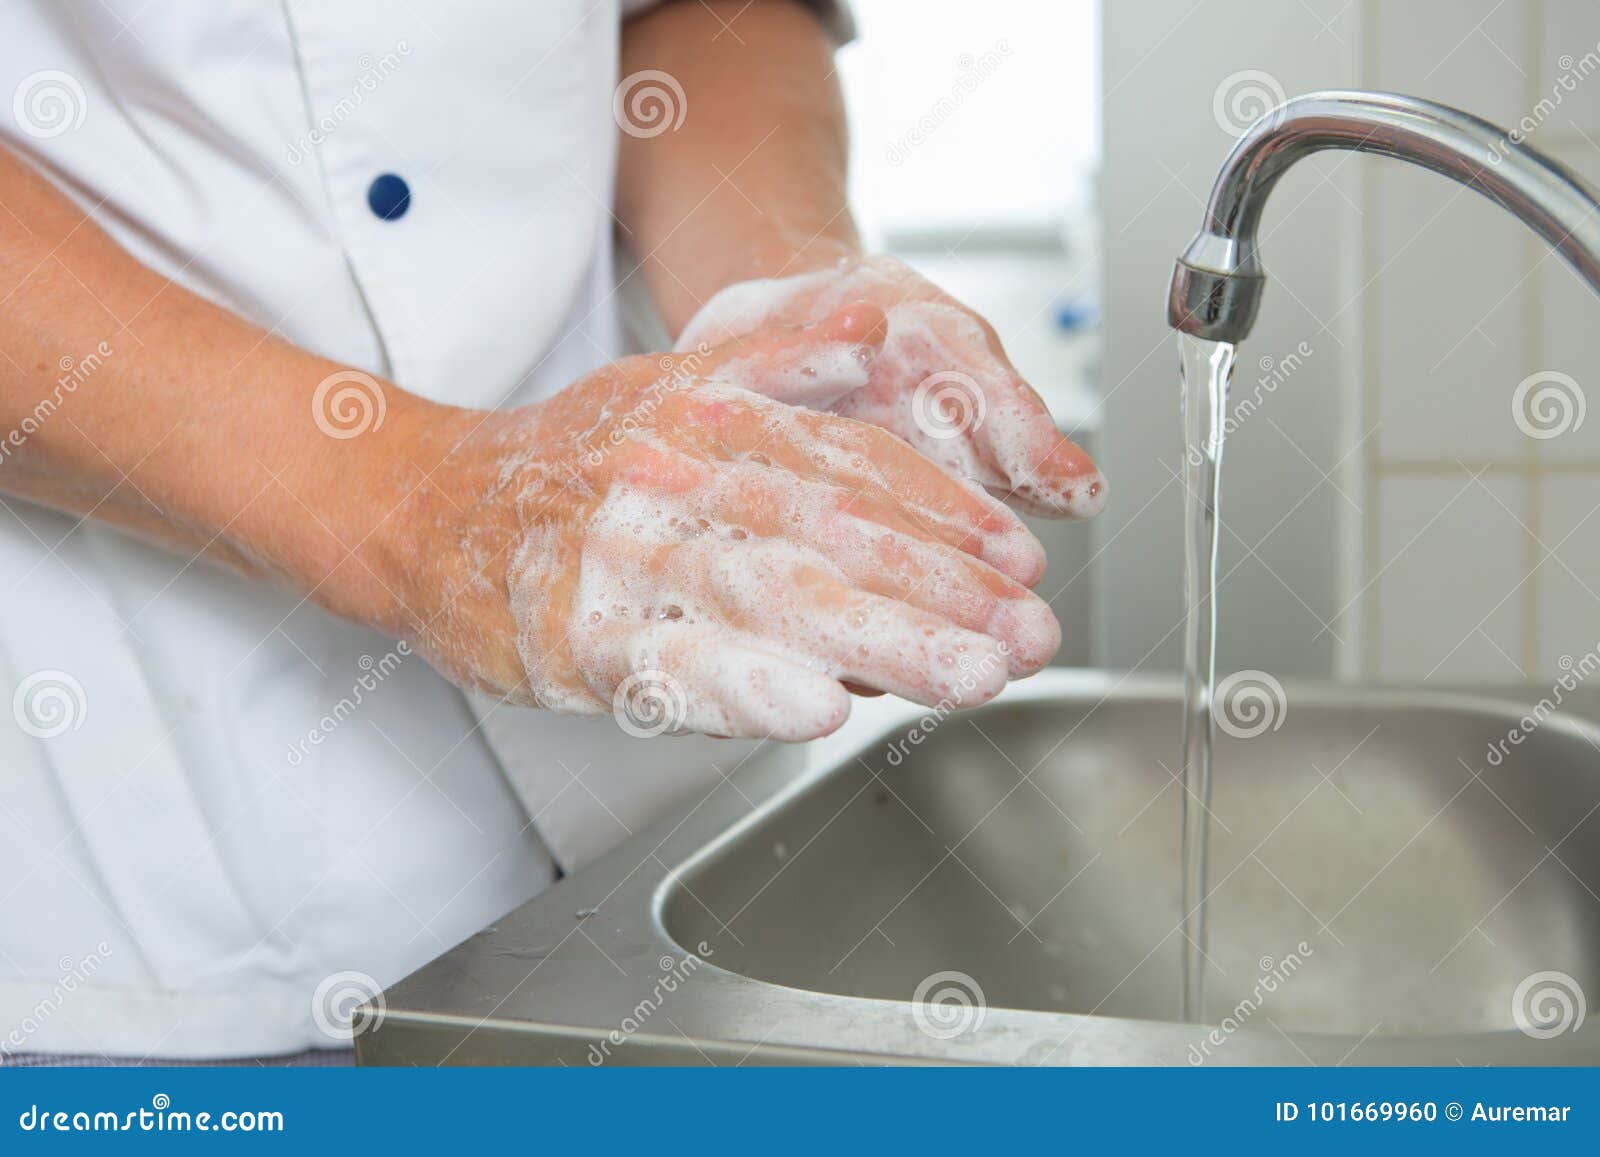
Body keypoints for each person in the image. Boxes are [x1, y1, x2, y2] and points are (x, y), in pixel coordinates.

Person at [0, 0, 1104, 1064]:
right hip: (140, 875)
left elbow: (688, 12)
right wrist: (412, 500)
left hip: (652, 841)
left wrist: (783, 293)